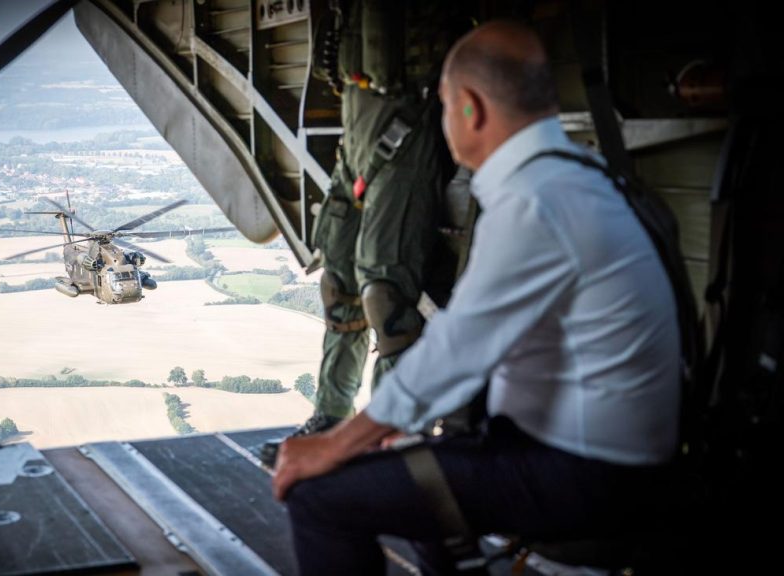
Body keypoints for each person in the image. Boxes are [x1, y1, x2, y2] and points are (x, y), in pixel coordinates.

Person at [272, 20, 681, 574]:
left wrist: (338, 443)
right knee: (409, 471)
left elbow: (456, 351)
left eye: (443, 106)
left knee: (319, 498)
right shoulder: (573, 176)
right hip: (597, 454)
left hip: (585, 471)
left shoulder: (535, 202)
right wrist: (394, 431)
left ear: (469, 107)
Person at [259, 0, 471, 467]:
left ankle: (390, 435)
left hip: (408, 120)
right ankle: (333, 417)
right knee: (338, 280)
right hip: (358, 127)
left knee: (385, 292)